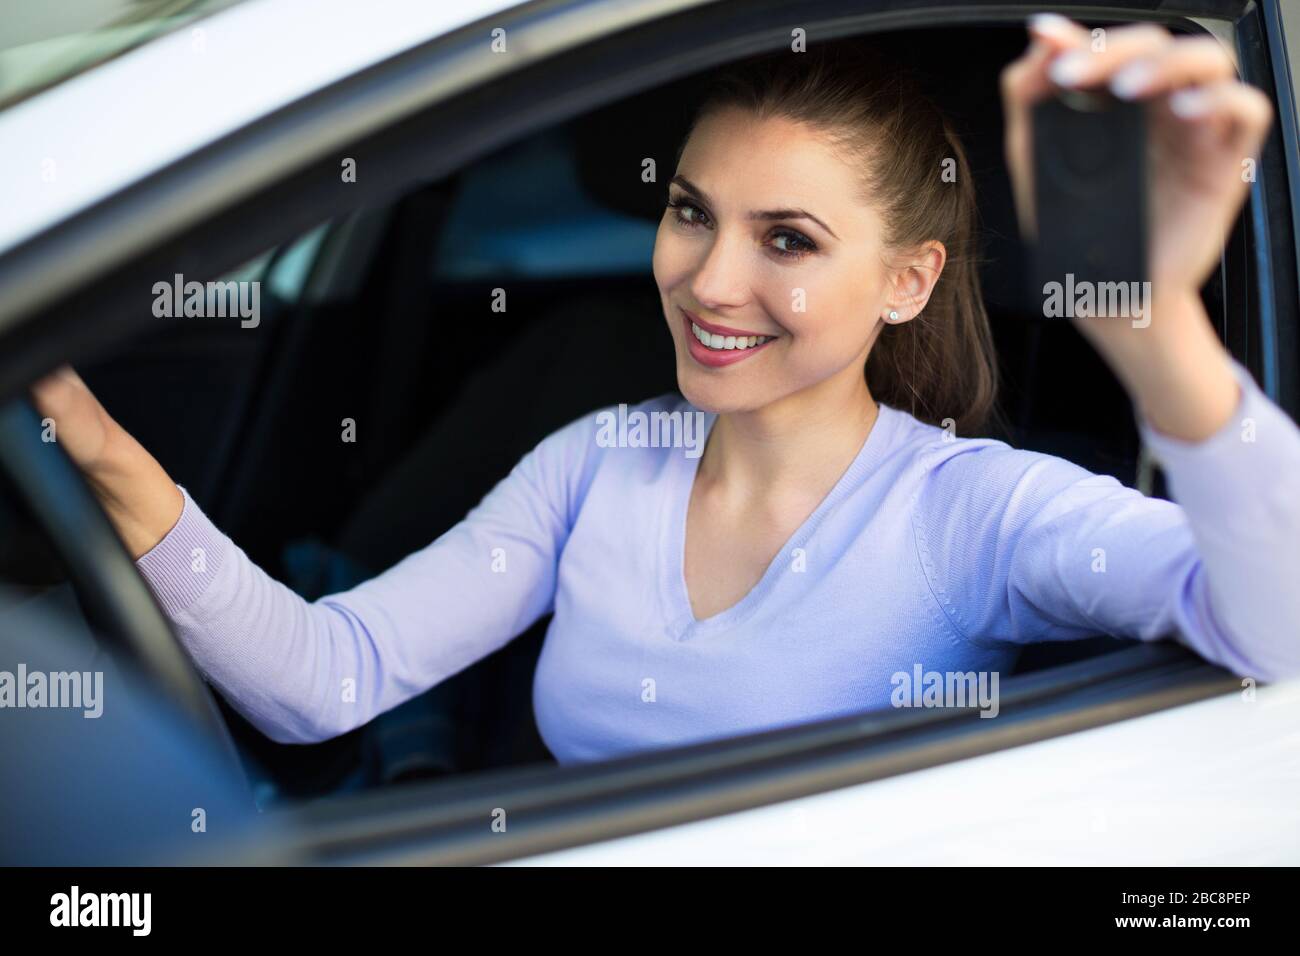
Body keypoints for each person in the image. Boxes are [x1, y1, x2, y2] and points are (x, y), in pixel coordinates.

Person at [32, 15, 1300, 765]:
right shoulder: (598, 461)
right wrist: (87, 440)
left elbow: (1278, 623)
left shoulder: (977, 509)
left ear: (909, 280)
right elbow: (331, 673)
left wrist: (1147, 325)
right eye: (690, 213)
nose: (707, 279)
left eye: (788, 240)